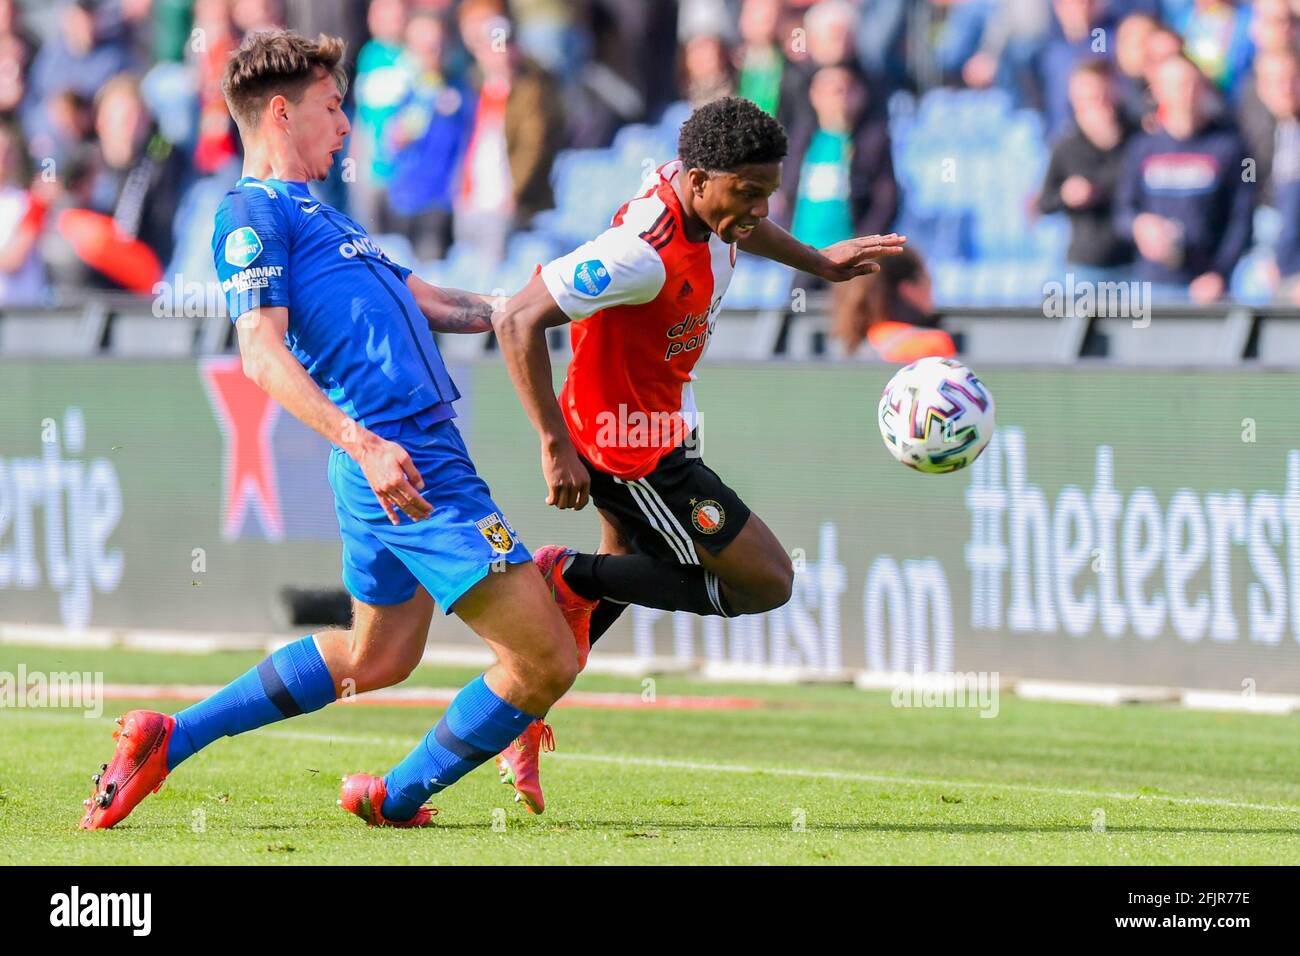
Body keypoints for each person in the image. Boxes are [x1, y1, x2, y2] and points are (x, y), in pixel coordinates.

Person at [79, 29, 582, 831]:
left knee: (377, 656)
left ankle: (168, 739)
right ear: (281, 113)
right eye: (332, 107)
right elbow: (259, 353)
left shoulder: (320, 213)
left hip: (395, 460)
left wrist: (552, 298)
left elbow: (439, 303)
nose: (346, 126)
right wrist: (364, 443)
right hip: (402, 462)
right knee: (546, 657)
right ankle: (396, 796)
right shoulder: (247, 212)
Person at [491, 96, 905, 812]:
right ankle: (567, 572)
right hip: (631, 448)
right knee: (766, 582)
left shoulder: (704, 201)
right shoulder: (639, 252)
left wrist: (817, 262)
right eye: (745, 192)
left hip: (656, 423)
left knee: (610, 593)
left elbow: (743, 227)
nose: (755, 208)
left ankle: (523, 716)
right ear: (698, 177)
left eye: (768, 192)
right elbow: (516, 316)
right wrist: (554, 442)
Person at [1114, 52, 1254, 303]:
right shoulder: (1140, 148)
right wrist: (1138, 226)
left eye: (1191, 83)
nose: (1184, 93)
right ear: (1157, 90)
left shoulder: (1231, 147)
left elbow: (1242, 218)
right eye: (1175, 85)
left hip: (1207, 285)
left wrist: (1219, 272)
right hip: (1153, 285)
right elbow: (1122, 210)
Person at [1037, 59, 1136, 281]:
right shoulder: (1066, 145)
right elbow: (1045, 203)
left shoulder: (1137, 139)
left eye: (1103, 95)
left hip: (1132, 265)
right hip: (1084, 266)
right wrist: (1066, 195)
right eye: (1088, 98)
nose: (1098, 104)